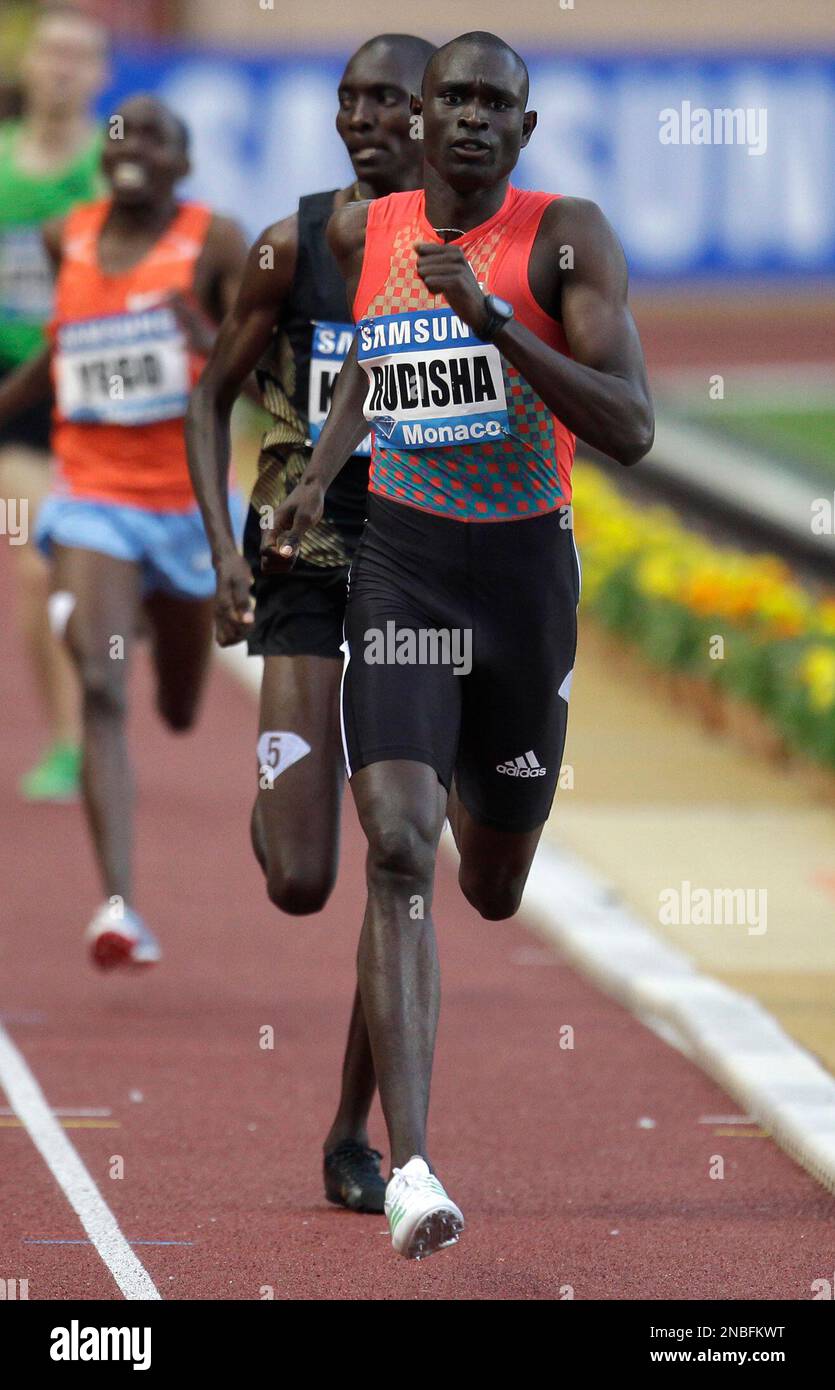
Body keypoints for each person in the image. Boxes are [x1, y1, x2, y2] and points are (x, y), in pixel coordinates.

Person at [264, 31, 655, 1259]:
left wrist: (495, 323)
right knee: (393, 847)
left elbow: (634, 424)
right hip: (407, 573)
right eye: (456, 101)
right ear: (421, 120)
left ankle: (362, 1120)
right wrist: (321, 480)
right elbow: (370, 374)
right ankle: (409, 1163)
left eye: (499, 103)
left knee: (486, 888)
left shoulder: (567, 236)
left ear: (524, 131)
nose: (474, 119)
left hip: (524, 584)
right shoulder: (360, 237)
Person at [186, 34, 435, 1217]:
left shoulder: (462, 253)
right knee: (299, 878)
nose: (361, 117)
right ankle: (278, 795)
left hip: (422, 562)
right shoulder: (296, 244)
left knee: (402, 850)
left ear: (433, 114)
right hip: (300, 555)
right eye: (347, 99)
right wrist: (224, 552)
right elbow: (208, 395)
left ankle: (352, 1131)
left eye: (387, 98)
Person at [0, 94, 249, 967]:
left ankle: (152, 627)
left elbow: (258, 377)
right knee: (103, 689)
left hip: (187, 509)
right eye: (122, 135)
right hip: (95, 499)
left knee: (178, 707)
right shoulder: (66, 236)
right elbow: (61, 346)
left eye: (157, 138)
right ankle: (118, 907)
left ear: (183, 164)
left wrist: (208, 338)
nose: (134, 147)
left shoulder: (216, 240)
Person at [0, 2, 107, 801]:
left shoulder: (117, 170)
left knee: (63, 568)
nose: (63, 67)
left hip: (90, 391)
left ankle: (81, 729)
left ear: (98, 75)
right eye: (52, 53)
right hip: (12, 396)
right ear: (29, 66)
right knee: (38, 562)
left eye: (79, 56)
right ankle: (73, 743)